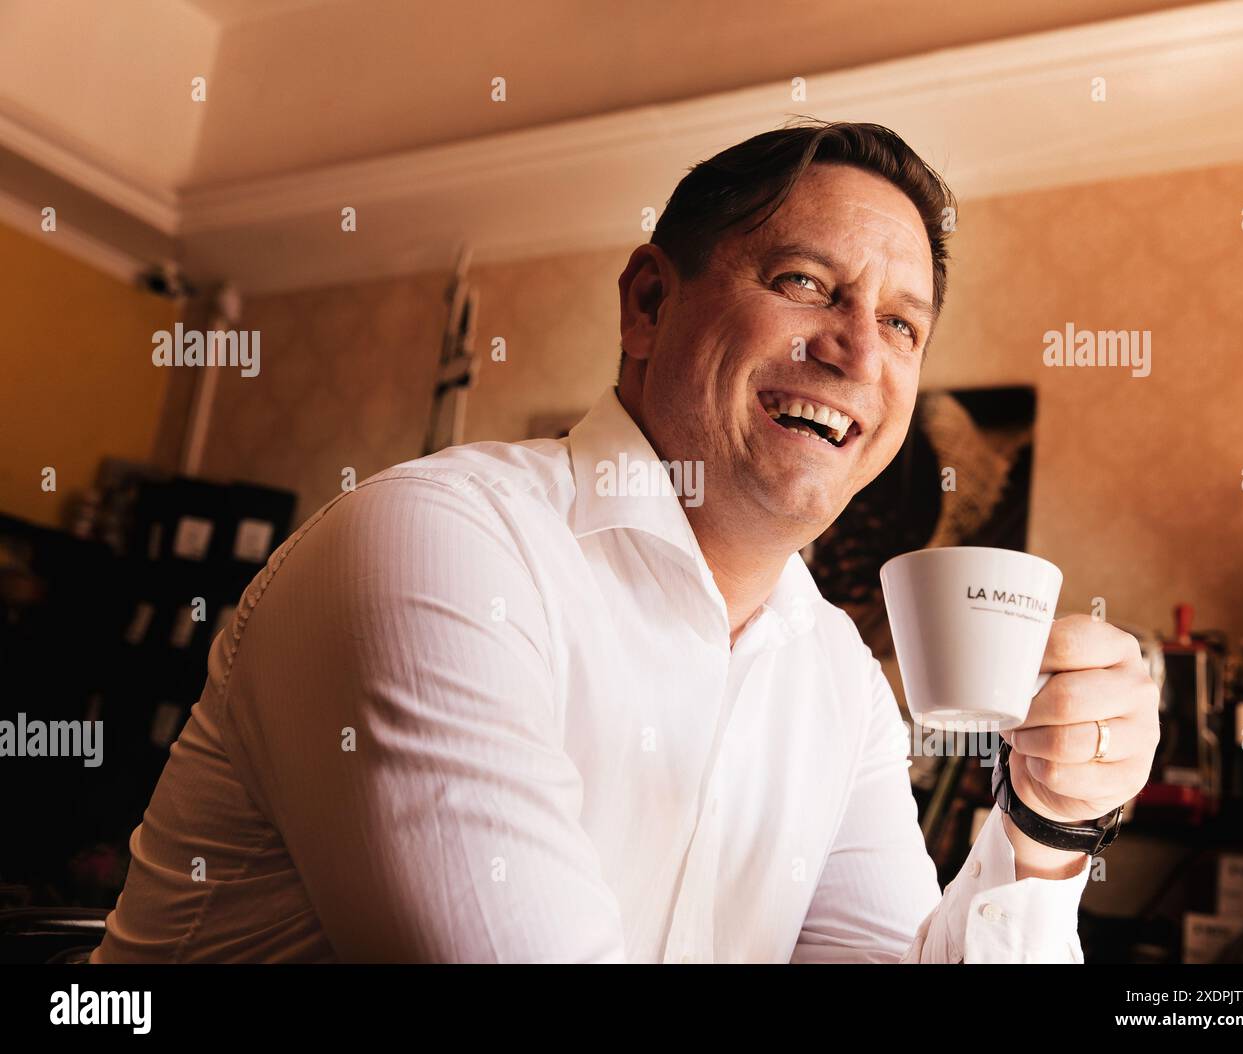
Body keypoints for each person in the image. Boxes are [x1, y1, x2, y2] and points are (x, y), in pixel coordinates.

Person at [92, 120, 1158, 963]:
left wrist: (1046, 833)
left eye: (901, 325)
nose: (854, 351)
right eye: (804, 284)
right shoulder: (439, 547)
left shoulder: (836, 675)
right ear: (649, 303)